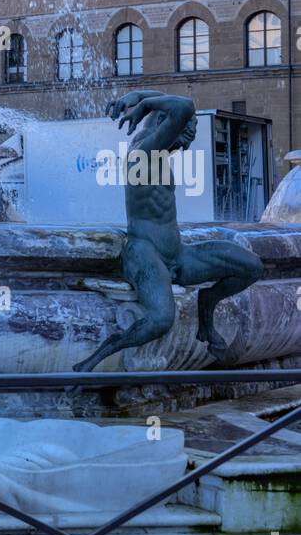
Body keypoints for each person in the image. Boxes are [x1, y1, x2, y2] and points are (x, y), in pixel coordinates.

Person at [73, 90, 264, 372]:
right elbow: (184, 106)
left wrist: (138, 96)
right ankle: (100, 355)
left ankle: (207, 302)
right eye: (183, 135)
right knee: (162, 320)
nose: (185, 143)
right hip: (145, 252)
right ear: (165, 125)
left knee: (252, 266)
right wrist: (146, 103)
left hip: (176, 252)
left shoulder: (155, 148)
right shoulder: (144, 151)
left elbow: (176, 106)